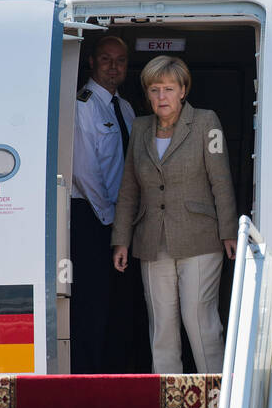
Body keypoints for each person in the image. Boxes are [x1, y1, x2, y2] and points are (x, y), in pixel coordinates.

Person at [111, 56, 238, 374]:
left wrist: (229, 232)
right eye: (154, 89)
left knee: (200, 321)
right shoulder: (140, 128)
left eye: (168, 88)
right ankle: (169, 396)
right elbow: (129, 188)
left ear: (183, 90)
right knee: (161, 327)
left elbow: (221, 180)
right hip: (152, 242)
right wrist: (121, 240)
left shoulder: (206, 122)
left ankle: (216, 395)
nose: (161, 96)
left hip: (201, 239)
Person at [69, 35, 147, 373]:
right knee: (93, 304)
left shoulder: (125, 108)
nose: (113, 67)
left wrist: (124, 223)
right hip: (93, 217)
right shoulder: (81, 105)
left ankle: (117, 375)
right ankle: (88, 379)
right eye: (105, 59)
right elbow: (83, 171)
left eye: (120, 60)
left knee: (121, 306)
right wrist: (111, 220)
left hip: (121, 221)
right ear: (91, 62)